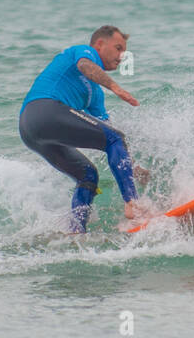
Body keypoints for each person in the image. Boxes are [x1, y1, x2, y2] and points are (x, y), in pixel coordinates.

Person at [18, 25, 149, 232]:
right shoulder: (83, 51)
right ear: (99, 44)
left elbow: (107, 134)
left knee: (87, 174)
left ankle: (76, 232)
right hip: (44, 110)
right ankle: (133, 204)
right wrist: (116, 88)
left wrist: (134, 168)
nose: (121, 56)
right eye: (118, 48)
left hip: (30, 131)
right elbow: (84, 65)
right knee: (115, 139)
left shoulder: (95, 94)